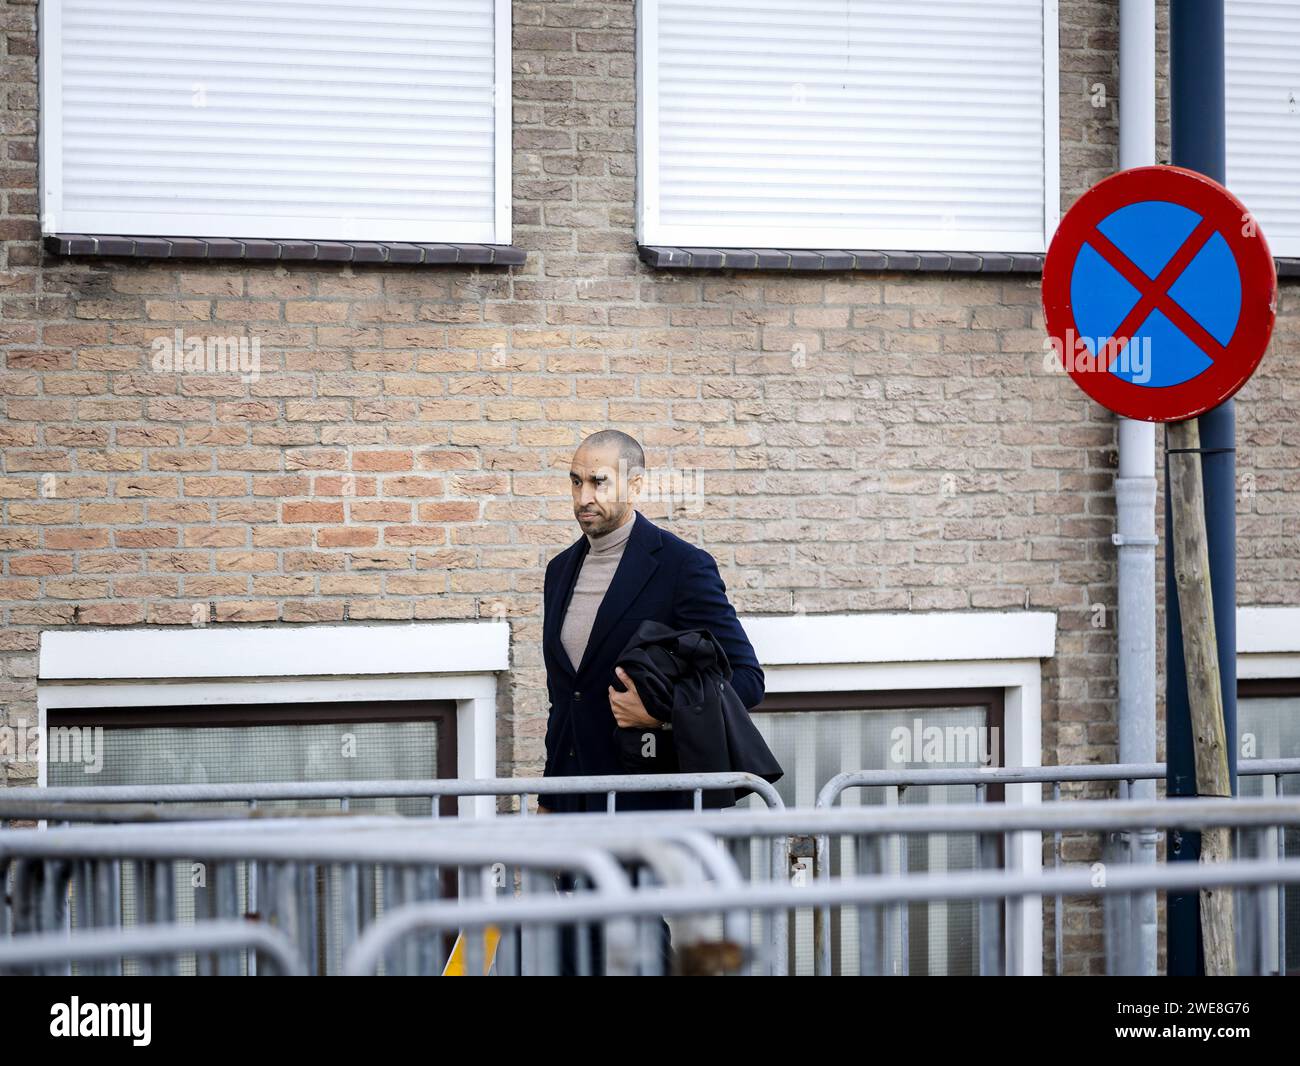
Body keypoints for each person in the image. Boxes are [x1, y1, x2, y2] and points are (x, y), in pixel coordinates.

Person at [534, 429, 766, 974]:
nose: (583, 497)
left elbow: (748, 680)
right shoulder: (559, 572)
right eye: (574, 481)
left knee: (641, 956)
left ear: (634, 485)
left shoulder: (683, 566)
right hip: (579, 811)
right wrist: (549, 794)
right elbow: (562, 698)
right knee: (582, 956)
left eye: (598, 481)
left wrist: (661, 714)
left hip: (649, 811)